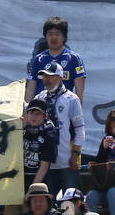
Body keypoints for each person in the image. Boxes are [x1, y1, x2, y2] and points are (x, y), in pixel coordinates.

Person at [32, 62, 85, 192]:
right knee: (48, 201)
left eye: (50, 76)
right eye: (44, 76)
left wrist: (75, 155)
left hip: (67, 161)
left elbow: (79, 128)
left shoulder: (71, 99)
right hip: (45, 162)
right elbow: (28, 115)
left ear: (61, 78)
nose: (46, 79)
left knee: (70, 201)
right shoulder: (40, 97)